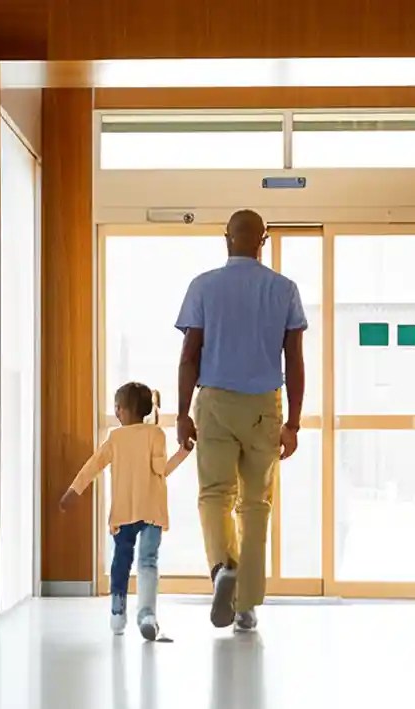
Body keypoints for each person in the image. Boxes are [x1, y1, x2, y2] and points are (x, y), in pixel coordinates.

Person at [175, 209, 307, 633]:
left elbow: (189, 355)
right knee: (255, 504)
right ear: (262, 240)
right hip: (264, 406)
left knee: (214, 494)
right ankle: (246, 604)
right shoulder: (284, 289)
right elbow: (295, 360)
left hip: (213, 401)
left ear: (225, 237)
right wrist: (295, 423)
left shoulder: (203, 286)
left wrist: (181, 413)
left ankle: (221, 569)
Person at [60, 383, 190, 639]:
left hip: (124, 512)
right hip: (151, 510)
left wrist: (74, 491)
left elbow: (92, 466)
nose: (116, 412)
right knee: (148, 562)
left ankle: (118, 611)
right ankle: (147, 615)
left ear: (125, 410)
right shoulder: (156, 435)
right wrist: (183, 453)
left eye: (117, 407)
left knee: (121, 561)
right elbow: (162, 471)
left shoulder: (116, 439)